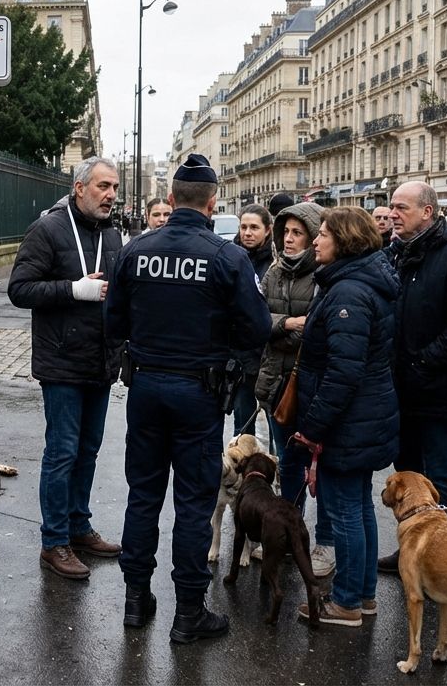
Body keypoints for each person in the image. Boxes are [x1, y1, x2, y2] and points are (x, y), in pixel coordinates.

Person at [105, 152, 269, 643]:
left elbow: (113, 323)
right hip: (200, 391)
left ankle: (137, 600)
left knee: (144, 496)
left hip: (148, 387)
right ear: (213, 202)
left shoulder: (136, 251)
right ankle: (189, 612)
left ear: (171, 199)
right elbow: (258, 327)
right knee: (195, 504)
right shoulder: (227, 257)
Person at [7, 156, 124, 581]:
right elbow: (19, 289)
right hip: (61, 364)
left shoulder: (111, 234)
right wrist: (74, 289)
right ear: (79, 188)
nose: (111, 194)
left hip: (100, 361)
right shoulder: (49, 229)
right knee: (62, 453)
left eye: (114, 187)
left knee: (88, 451)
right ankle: (54, 541)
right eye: (103, 186)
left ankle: (78, 526)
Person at [292, 207, 400, 627]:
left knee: (344, 512)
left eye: (322, 234)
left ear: (345, 241)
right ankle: (365, 593)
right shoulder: (360, 281)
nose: (315, 241)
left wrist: (313, 427)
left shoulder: (348, 293)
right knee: (358, 506)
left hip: (347, 421)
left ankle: (347, 601)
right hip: (364, 416)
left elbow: (343, 371)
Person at [381, 182, 447, 557]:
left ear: (427, 212)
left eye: (401, 208)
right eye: (391, 207)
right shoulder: (396, 252)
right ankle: (411, 551)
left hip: (436, 388)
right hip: (400, 388)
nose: (392, 213)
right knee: (406, 476)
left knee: (440, 475)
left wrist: (425, 360)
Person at [254, 201, 335, 577]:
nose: (289, 239)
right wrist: (286, 324)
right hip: (276, 384)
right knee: (288, 463)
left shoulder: (324, 274)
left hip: (311, 385)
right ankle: (288, 531)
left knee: (322, 464)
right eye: (285, 232)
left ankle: (326, 541)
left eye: (298, 233)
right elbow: (256, 321)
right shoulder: (272, 273)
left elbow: (318, 332)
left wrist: (283, 330)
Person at [232, 204, 273, 438]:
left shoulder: (275, 264)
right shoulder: (232, 257)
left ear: (267, 230)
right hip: (240, 356)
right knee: (243, 426)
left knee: (275, 426)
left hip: (268, 356)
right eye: (244, 227)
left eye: (254, 228)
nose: (247, 233)